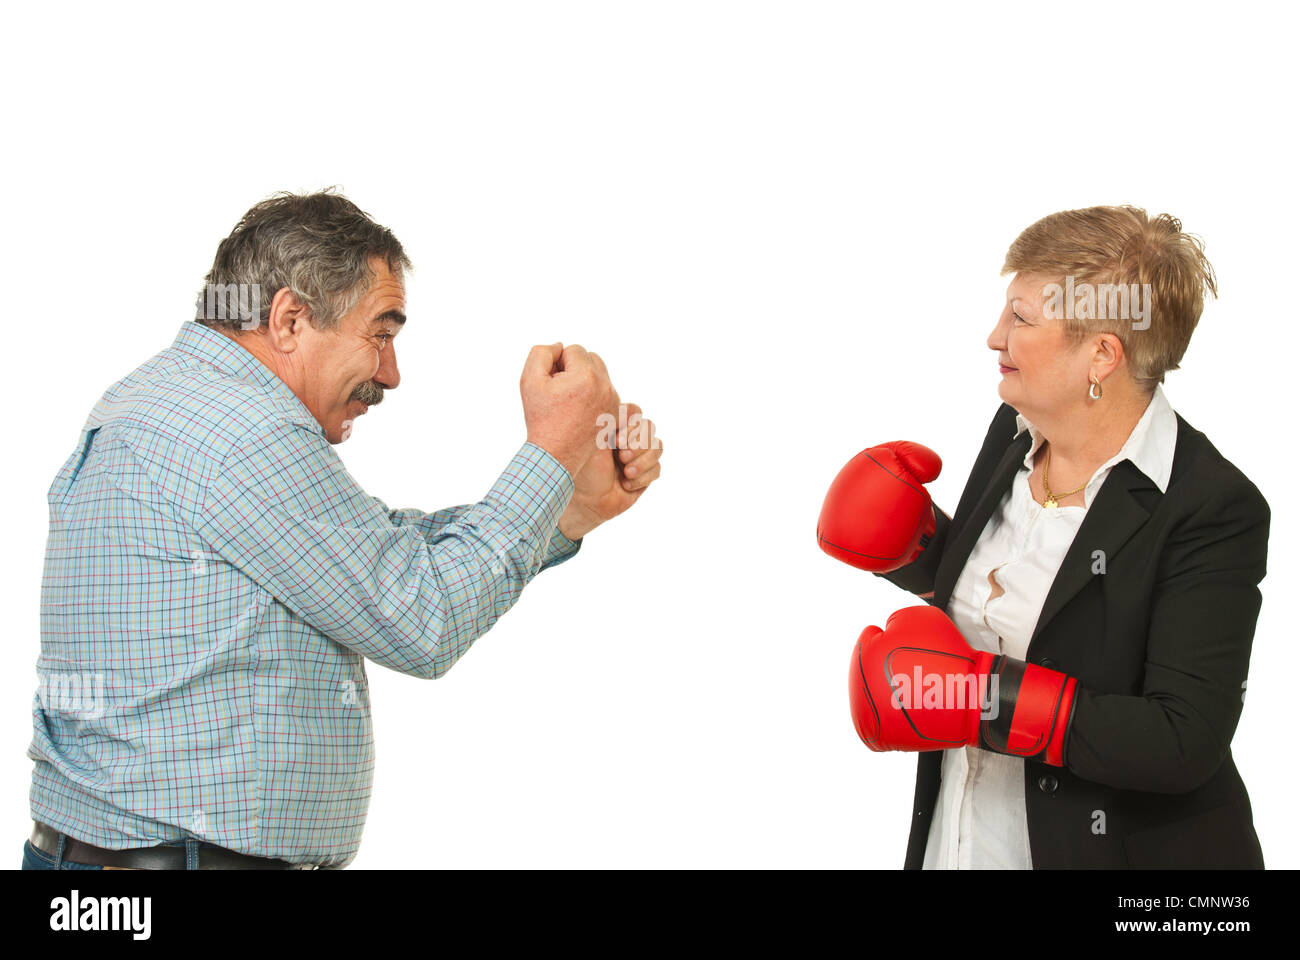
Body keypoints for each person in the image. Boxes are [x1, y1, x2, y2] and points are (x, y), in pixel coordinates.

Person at [23, 189, 663, 870]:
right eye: (381, 333)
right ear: (290, 319)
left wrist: (569, 507)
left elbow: (377, 553)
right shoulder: (242, 433)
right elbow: (425, 615)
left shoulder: (170, 401)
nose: (391, 373)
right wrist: (551, 452)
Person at [818, 205, 1267, 868]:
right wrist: (913, 547)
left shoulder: (1209, 507)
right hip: (962, 840)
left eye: (1021, 318)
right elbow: (1021, 600)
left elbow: (1182, 739)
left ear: (1102, 354)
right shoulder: (1018, 432)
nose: (994, 337)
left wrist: (980, 699)